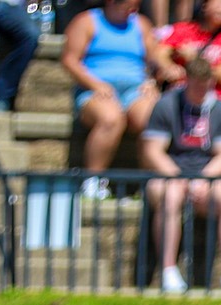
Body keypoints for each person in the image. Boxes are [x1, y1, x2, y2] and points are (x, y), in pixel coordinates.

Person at [141, 57, 221, 294]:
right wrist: (179, 177)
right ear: (187, 81)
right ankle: (168, 270)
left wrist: (203, 178)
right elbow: (153, 151)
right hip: (168, 173)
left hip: (207, 175)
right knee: (171, 195)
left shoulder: (218, 108)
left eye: (206, 85)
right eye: (197, 85)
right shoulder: (167, 104)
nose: (201, 90)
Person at [63, 0, 164, 196]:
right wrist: (95, 84)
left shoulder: (141, 24)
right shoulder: (87, 21)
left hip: (135, 88)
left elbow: (156, 59)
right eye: (128, 5)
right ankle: (93, 180)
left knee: (151, 119)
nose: (132, 9)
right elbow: (69, 60)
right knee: (111, 119)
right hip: (96, 88)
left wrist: (152, 81)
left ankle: (149, 182)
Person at [158, 0, 221, 105]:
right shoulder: (184, 29)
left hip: (213, 98)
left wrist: (195, 58)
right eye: (220, 2)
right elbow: (159, 53)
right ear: (205, 4)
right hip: (179, 94)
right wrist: (169, 67)